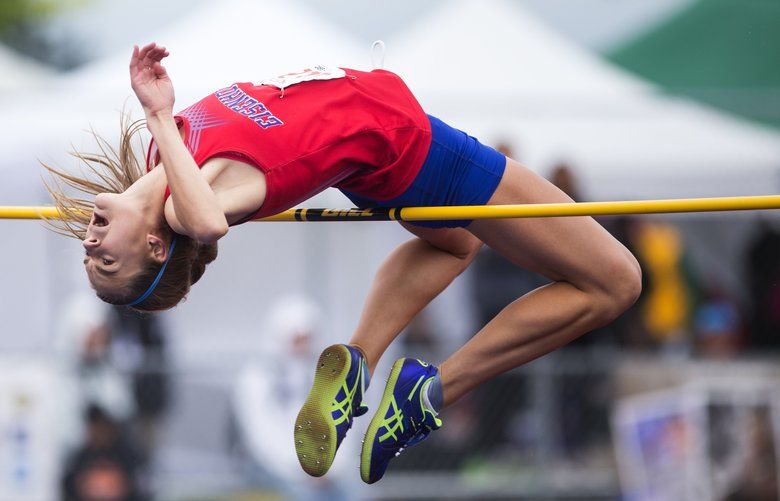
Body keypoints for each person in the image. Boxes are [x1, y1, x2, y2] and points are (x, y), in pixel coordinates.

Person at [45, 42, 642, 484]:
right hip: (415, 149)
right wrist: (156, 109)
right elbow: (205, 222)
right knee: (615, 281)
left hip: (377, 153)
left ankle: (359, 361)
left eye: (91, 259)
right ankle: (433, 393)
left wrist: (160, 122)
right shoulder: (188, 202)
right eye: (107, 266)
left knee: (455, 246)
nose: (91, 251)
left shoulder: (165, 156)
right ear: (153, 247)